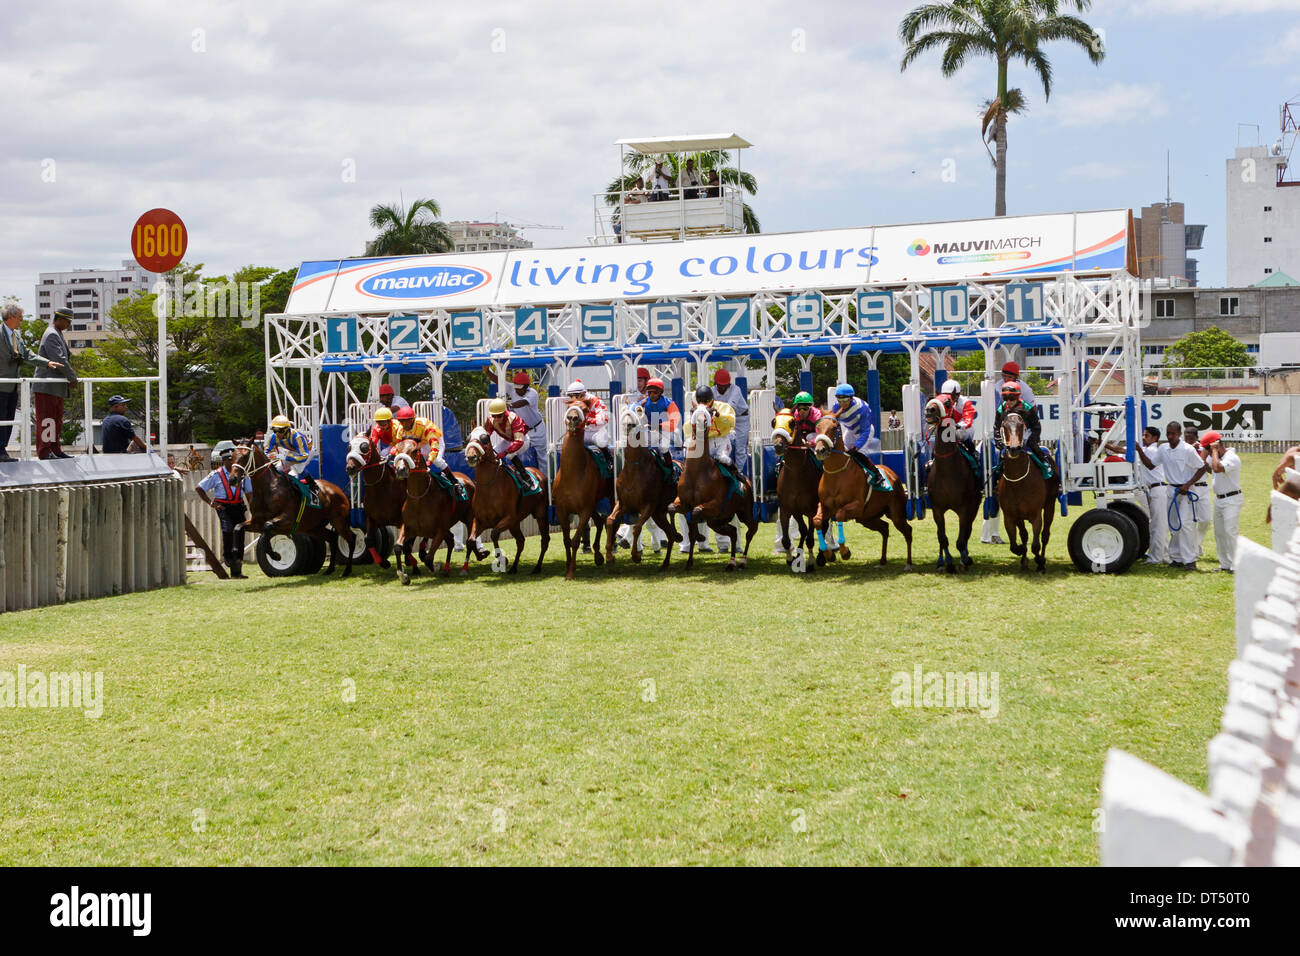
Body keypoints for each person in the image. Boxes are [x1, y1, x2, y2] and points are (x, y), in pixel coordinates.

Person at [680, 385, 738, 554]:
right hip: (701, 444)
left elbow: (731, 421)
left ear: (712, 399)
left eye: (706, 401)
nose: (703, 404)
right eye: (700, 401)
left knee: (723, 459)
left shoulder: (722, 406)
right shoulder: (694, 410)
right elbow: (686, 429)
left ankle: (737, 481)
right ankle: (689, 544)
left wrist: (717, 415)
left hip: (720, 442)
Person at [2, 303, 61, 461]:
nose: (21, 320)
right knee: (1, 418)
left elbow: (27, 354)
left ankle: (2, 450)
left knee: (8, 419)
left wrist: (46, 363)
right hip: (1, 384)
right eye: (20, 317)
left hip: (13, 385)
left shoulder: (17, 335)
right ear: (11, 317)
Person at [771, 393, 823, 554]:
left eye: (805, 408)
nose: (801, 411)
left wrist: (812, 443)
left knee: (819, 458)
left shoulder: (817, 415)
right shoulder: (792, 416)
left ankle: (823, 480)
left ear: (810, 407)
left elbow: (821, 433)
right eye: (799, 408)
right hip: (798, 441)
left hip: (814, 439)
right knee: (783, 461)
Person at [195, 441, 253, 579]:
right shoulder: (216, 475)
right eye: (228, 460)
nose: (231, 462)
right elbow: (199, 488)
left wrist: (252, 508)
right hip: (224, 508)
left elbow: (249, 492)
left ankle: (237, 570)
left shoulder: (242, 474)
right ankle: (227, 557)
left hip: (238, 507)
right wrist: (211, 503)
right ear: (224, 461)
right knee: (227, 531)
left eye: (232, 460)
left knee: (239, 535)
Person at [1160, 421, 1208, 570]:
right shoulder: (1163, 448)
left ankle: (1190, 560)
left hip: (1186, 491)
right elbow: (1151, 464)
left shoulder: (1187, 449)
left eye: (1173, 433)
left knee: (1186, 525)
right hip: (1171, 490)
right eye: (1168, 433)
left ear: (1179, 434)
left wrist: (1187, 484)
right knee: (1174, 525)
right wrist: (1138, 450)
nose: (1170, 436)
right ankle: (1176, 558)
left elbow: (1202, 468)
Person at [32, 307, 77, 459]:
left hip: (55, 387)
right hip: (47, 386)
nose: (69, 324)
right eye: (67, 321)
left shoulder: (56, 333)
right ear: (59, 319)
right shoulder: (51, 334)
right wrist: (72, 377)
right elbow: (59, 359)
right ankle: (45, 451)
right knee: (47, 420)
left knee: (56, 420)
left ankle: (55, 449)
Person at [394, 405, 466, 499]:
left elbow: (434, 445)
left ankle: (455, 483)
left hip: (434, 441)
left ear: (412, 419)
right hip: (418, 444)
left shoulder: (424, 425)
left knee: (437, 460)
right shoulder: (400, 429)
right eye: (401, 421)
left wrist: (430, 460)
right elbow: (399, 447)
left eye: (406, 420)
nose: (403, 424)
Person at [992, 382, 1053, 480]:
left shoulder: (1027, 407)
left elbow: (1036, 426)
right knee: (1001, 452)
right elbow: (996, 426)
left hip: (1025, 433)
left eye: (1011, 398)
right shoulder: (1002, 408)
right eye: (1005, 398)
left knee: (1033, 446)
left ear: (1017, 397)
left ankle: (1044, 463)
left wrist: (1033, 439)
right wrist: (999, 440)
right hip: (1008, 435)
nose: (1008, 401)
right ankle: (998, 473)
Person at [1202, 430, 1242, 572]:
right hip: (1219, 499)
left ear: (1216, 445)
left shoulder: (1232, 457)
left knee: (1230, 532)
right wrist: (1205, 451)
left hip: (1232, 499)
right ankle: (1225, 564)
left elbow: (1218, 468)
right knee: (1219, 533)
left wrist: (1212, 450)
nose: (1206, 451)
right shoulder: (1214, 456)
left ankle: (1236, 565)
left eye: (1208, 448)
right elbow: (1207, 467)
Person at [832, 382, 886, 485]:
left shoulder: (862, 408)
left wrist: (856, 447)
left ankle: (876, 474)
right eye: (839, 400)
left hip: (865, 432)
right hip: (851, 431)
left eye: (845, 400)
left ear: (851, 398)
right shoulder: (836, 407)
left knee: (859, 454)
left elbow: (865, 431)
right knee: (844, 452)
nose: (842, 403)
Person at [1131, 426, 1171, 565]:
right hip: (1153, 489)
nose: (1143, 438)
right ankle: (1165, 555)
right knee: (1159, 525)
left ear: (1154, 438)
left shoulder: (1154, 450)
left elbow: (1150, 465)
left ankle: (1155, 558)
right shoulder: (1148, 450)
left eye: (1146, 435)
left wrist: (1139, 449)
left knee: (1157, 526)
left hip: (1158, 489)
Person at [482, 396, 538, 491]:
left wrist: (504, 453)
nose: (496, 419)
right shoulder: (490, 420)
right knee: (493, 453)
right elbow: (486, 435)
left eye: (499, 416)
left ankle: (526, 477)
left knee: (509, 455)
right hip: (508, 440)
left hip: (523, 441)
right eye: (493, 416)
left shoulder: (514, 418)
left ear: (504, 413)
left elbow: (519, 441)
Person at [564, 380, 613, 473]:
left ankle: (609, 459)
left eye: (575, 395)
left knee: (601, 440)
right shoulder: (572, 404)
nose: (573, 398)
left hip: (596, 432)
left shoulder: (596, 401)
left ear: (583, 394)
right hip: (582, 432)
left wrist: (587, 421)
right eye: (570, 396)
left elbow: (604, 419)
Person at [266, 415, 318, 492]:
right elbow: (267, 452)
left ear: (286, 429)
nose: (277, 433)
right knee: (278, 469)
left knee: (298, 467)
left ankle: (314, 486)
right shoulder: (273, 437)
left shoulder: (297, 437)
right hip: (293, 451)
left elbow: (303, 456)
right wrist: (272, 456)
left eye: (279, 430)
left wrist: (285, 457)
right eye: (274, 430)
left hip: (307, 451)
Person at [712, 368, 750, 474]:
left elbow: (730, 407)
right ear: (716, 383)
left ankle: (739, 472)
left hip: (740, 419)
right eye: (720, 385)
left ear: (729, 384)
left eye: (725, 385)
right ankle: (722, 470)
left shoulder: (736, 389)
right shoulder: (712, 391)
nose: (723, 388)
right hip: (722, 419)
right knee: (720, 444)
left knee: (740, 447)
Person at [1183, 426, 1212, 556]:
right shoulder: (1181, 449)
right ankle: (1193, 549)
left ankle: (1196, 543)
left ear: (1196, 437)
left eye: (1190, 436)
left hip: (1203, 486)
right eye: (1186, 435)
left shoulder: (1203, 449)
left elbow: (1210, 470)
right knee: (1189, 520)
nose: (1187, 438)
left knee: (1205, 520)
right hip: (1189, 487)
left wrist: (1201, 455)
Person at [937, 379, 977, 457]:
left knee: (958, 434)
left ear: (958, 395)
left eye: (951, 395)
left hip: (962, 429)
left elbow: (968, 421)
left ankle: (973, 453)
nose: (948, 398)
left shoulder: (965, 402)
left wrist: (957, 426)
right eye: (945, 395)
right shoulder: (940, 401)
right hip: (947, 427)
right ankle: (933, 458)